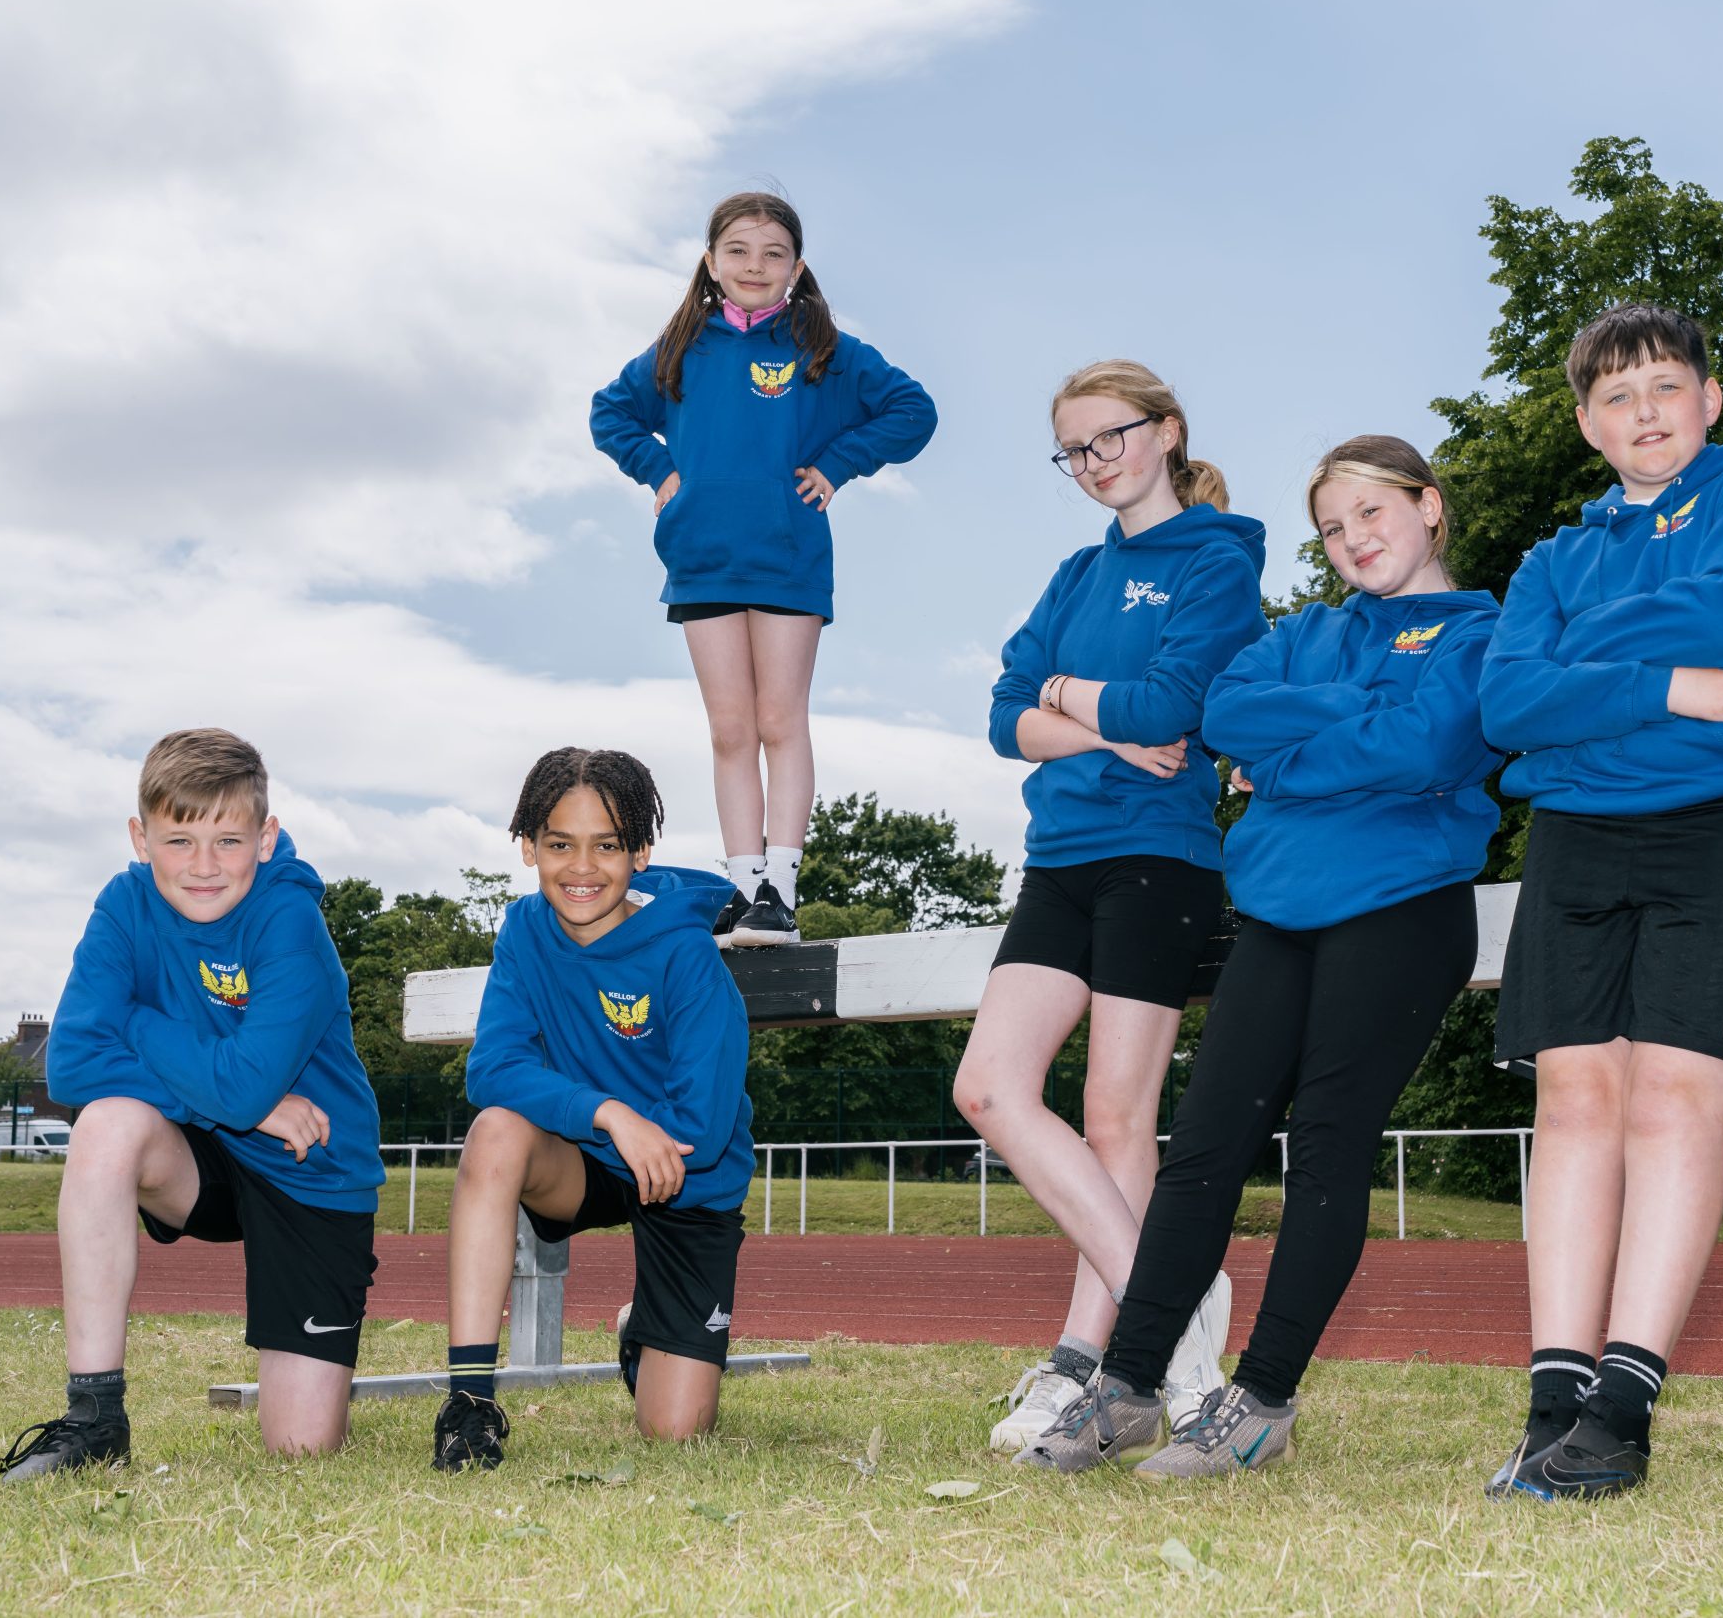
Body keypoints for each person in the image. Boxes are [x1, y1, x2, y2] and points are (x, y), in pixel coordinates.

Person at [1015, 435, 1498, 1478]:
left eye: (1371, 513)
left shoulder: (1481, 632)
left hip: (1403, 910)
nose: (1352, 539)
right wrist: (1345, 722)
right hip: (1279, 913)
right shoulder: (1303, 633)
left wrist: (1295, 756)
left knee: (1326, 1145)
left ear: (1428, 508)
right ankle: (1130, 1386)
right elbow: (1228, 713)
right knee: (1200, 1153)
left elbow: (1426, 748)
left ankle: (1262, 1403)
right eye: (1331, 526)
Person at [1477, 304, 1723, 1501]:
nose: (1644, 413)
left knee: (1678, 1100)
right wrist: (1660, 684)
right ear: (1586, 423)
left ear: (1708, 397)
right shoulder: (1549, 557)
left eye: (1664, 386)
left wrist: (1588, 675)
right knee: (1575, 1101)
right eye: (1617, 397)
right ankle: (1551, 1405)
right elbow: (1505, 703)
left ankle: (1621, 1413)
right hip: (1579, 829)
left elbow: (1721, 622)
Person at [957, 360, 1267, 1450]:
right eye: (1075, 449)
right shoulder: (1075, 574)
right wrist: (1089, 723)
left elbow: (1171, 707)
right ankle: (1171, 1315)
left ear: (1167, 431)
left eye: (1114, 437)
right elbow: (1002, 716)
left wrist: (1060, 695)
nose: (1096, 463)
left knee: (1116, 1118)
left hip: (1161, 855)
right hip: (1063, 855)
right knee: (990, 1088)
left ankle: (1091, 1359)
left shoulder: (1221, 561)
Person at [0, 729, 383, 1482]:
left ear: (265, 837)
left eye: (228, 839)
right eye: (179, 839)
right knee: (105, 1125)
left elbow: (235, 1082)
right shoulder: (124, 903)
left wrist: (133, 1021)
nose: (203, 866)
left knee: (301, 1446)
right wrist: (244, 1101)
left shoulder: (288, 917)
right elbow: (70, 1063)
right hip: (201, 1156)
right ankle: (94, 1416)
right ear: (141, 838)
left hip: (311, 1166)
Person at [591, 191, 937, 947]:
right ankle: (744, 891)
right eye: (739, 251)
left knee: (780, 720)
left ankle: (780, 886)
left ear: (797, 267)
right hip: (702, 557)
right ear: (711, 262)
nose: (756, 265)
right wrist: (658, 468)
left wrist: (838, 464)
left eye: (774, 253)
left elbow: (913, 411)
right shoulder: (683, 348)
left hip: (787, 559)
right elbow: (609, 411)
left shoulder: (823, 346)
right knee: (729, 729)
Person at [431, 748, 751, 1470]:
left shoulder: (686, 954)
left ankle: (644, 1328)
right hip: (588, 1156)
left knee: (674, 1430)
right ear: (528, 847)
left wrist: (631, 1124)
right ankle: (470, 1405)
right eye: (560, 844)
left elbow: (698, 1128)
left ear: (639, 851)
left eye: (606, 844)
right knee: (494, 1134)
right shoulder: (523, 932)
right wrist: (607, 1112)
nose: (583, 867)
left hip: (684, 1175)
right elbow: (493, 1069)